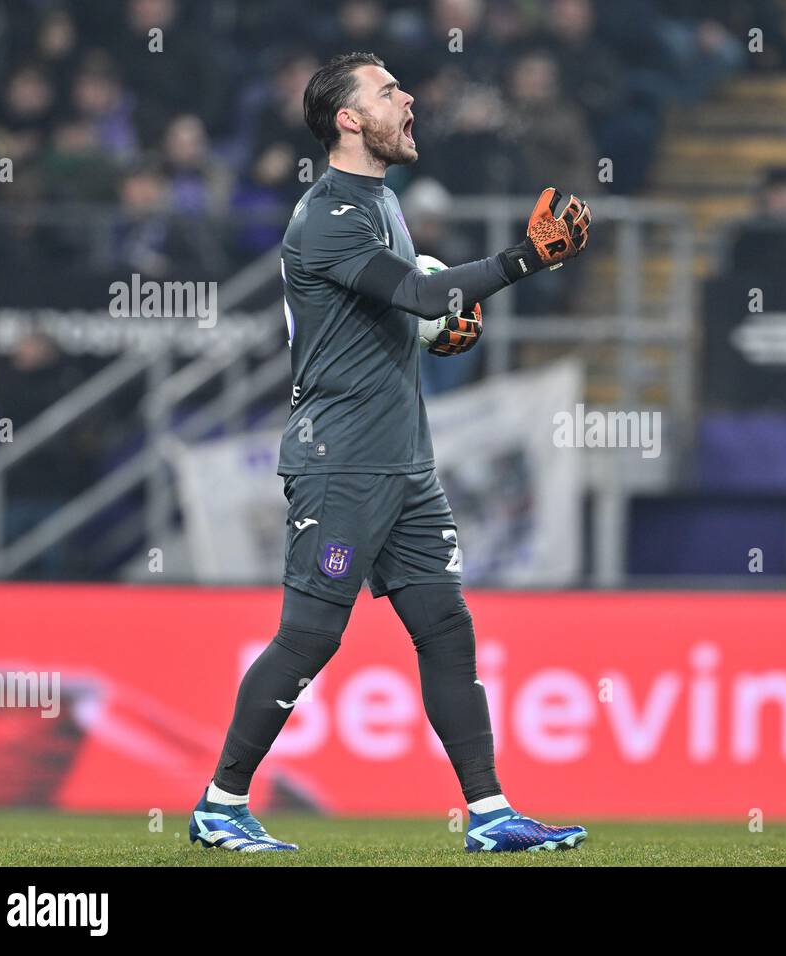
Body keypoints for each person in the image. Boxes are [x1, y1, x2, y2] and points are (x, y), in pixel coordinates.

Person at [189, 52, 592, 854]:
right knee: (309, 637)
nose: (407, 98)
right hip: (340, 460)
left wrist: (437, 332)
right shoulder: (329, 213)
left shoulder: (385, 204)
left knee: (446, 627)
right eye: (387, 91)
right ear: (348, 119)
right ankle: (219, 804)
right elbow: (418, 293)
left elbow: (406, 311)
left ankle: (489, 815)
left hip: (404, 460)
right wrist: (522, 260)